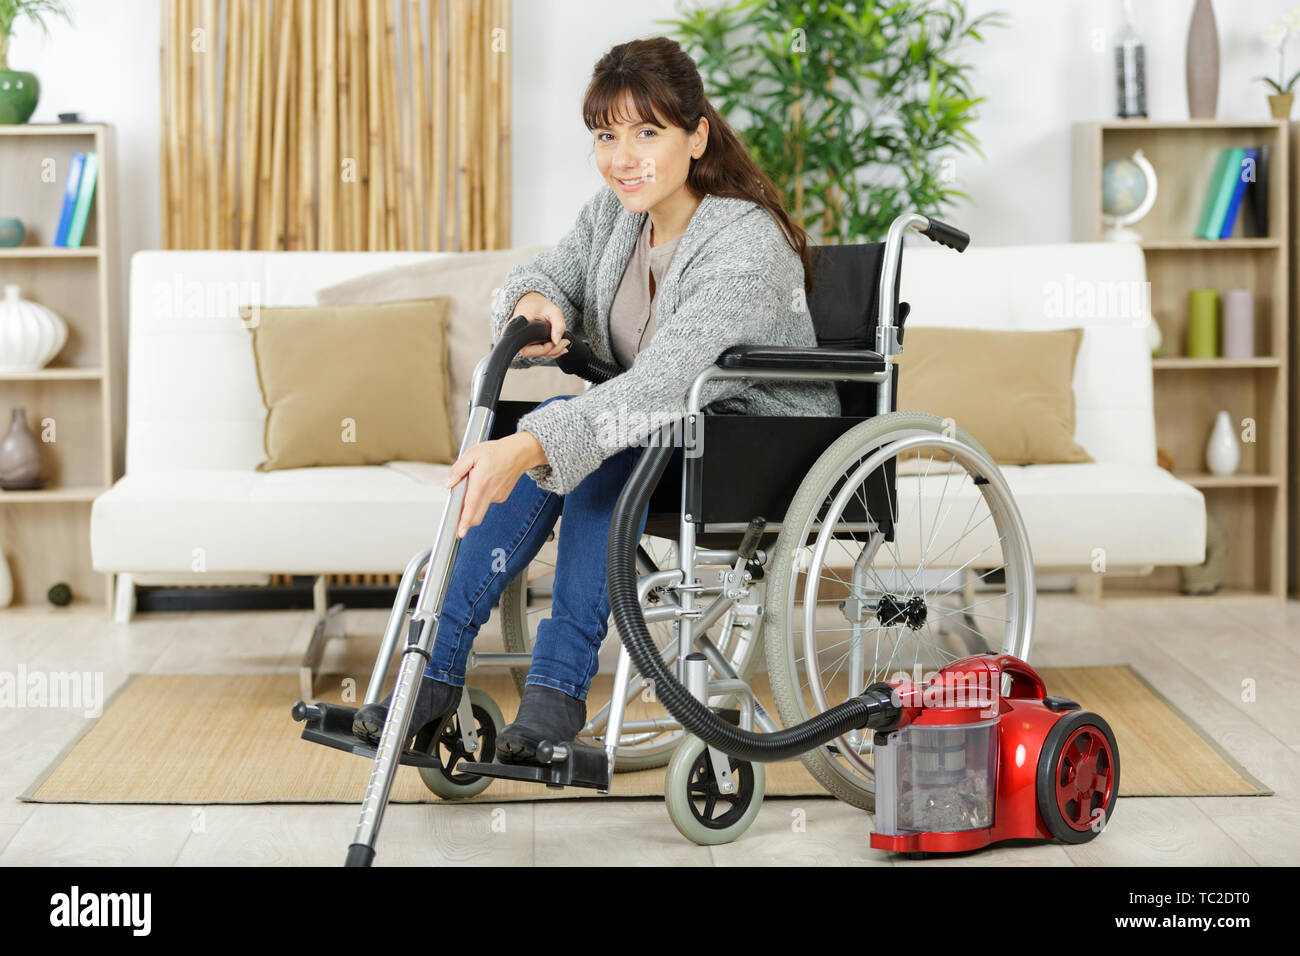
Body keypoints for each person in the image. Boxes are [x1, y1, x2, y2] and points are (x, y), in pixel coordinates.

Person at [352, 35, 840, 763]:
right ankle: (433, 671)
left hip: (756, 444)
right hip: (657, 435)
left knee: (591, 432)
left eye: (648, 132)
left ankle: (554, 687)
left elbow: (664, 384)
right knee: (600, 433)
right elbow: (546, 275)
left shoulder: (745, 244)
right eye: (607, 136)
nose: (624, 156)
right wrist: (539, 299)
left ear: (696, 135)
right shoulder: (614, 218)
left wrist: (525, 449)